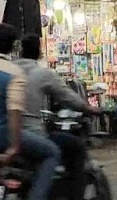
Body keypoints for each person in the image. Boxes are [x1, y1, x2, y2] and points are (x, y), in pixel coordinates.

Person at [0, 24, 58, 200]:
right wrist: (14, 147)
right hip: (1, 137)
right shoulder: (14, 72)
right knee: (51, 153)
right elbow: (14, 111)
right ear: (14, 46)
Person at [17, 34, 93, 200]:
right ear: (39, 52)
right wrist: (88, 108)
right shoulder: (42, 74)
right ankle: (74, 195)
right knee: (73, 147)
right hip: (32, 133)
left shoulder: (8, 70)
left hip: (5, 134)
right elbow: (67, 96)